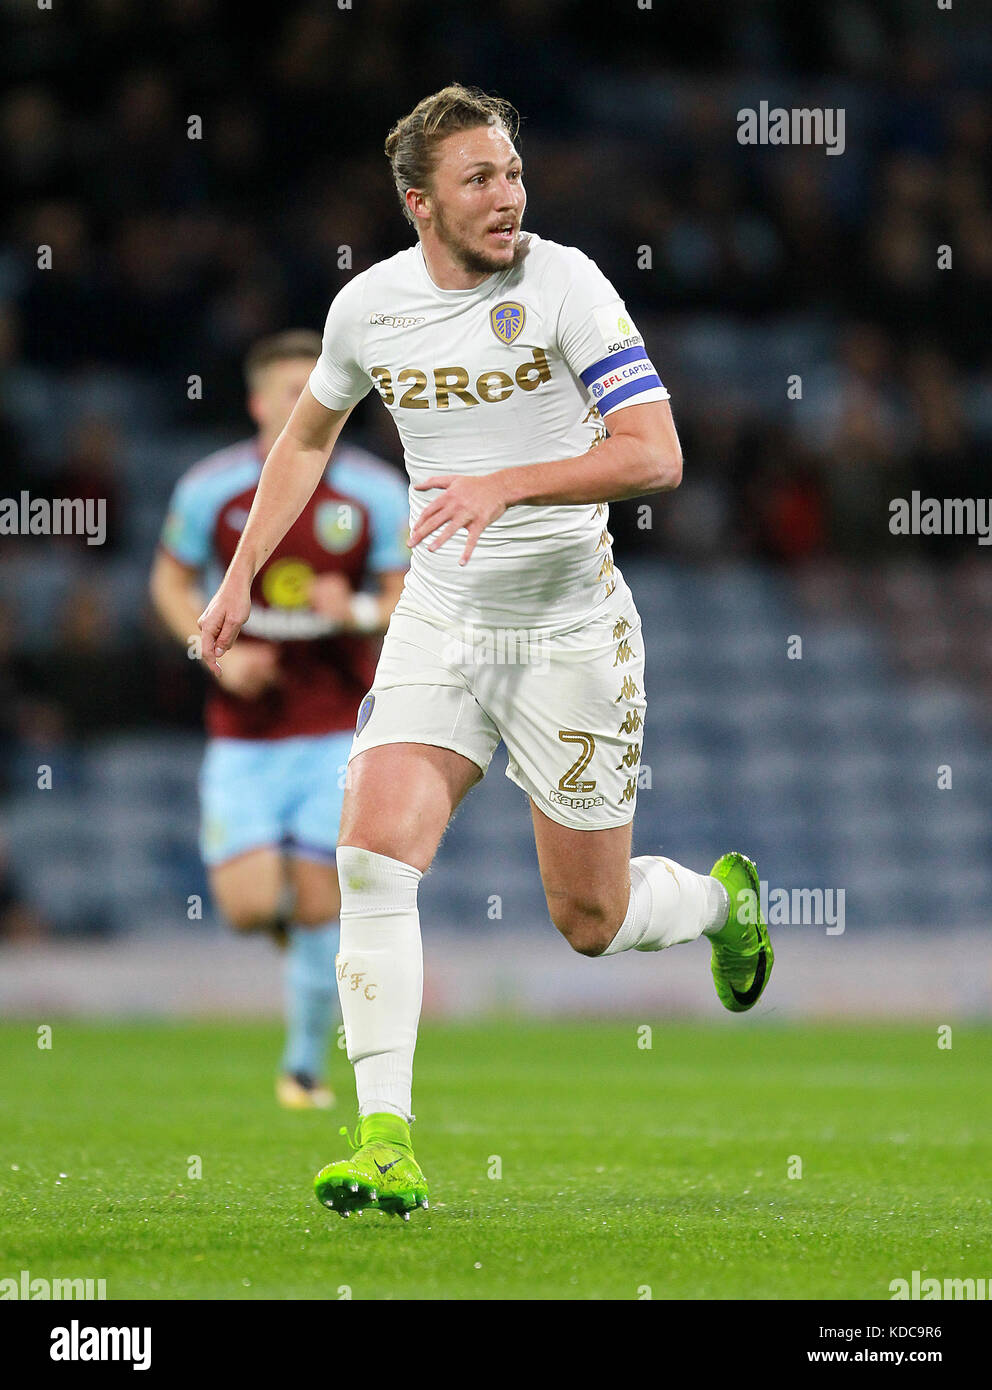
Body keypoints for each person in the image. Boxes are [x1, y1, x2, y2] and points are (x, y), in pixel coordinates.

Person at [198, 87, 773, 1219]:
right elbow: (306, 436)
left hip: (567, 630)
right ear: (420, 203)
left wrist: (509, 481)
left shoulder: (565, 283)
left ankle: (717, 904)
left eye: (511, 172)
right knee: (368, 854)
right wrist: (238, 582)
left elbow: (654, 455)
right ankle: (384, 1141)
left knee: (589, 924)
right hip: (443, 623)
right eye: (478, 180)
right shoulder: (369, 308)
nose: (506, 196)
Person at [150, 330, 408, 1109]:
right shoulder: (211, 489)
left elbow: (402, 600)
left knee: (322, 901)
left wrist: (355, 608)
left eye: (320, 387)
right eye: (290, 389)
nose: (307, 401)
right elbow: (168, 581)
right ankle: (302, 952)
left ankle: (303, 1070)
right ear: (260, 402)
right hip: (244, 732)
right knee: (251, 908)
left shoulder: (372, 491)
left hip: (334, 725)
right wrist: (214, 653)